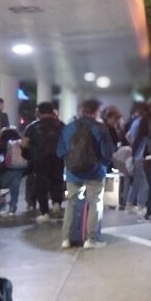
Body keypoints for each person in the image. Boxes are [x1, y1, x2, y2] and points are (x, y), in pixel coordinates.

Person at [57, 99, 114, 249]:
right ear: (96, 112)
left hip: (73, 172)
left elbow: (61, 152)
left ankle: (66, 239)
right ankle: (91, 239)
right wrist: (102, 164)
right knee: (95, 203)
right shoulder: (100, 128)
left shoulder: (69, 127)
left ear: (81, 111)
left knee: (71, 203)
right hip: (95, 172)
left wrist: (71, 163)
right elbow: (107, 153)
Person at [23, 102, 65, 222]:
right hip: (58, 159)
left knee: (41, 185)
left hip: (39, 160)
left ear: (39, 112)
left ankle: (45, 212)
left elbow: (24, 144)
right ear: (52, 111)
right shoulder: (61, 125)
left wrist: (28, 155)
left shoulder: (32, 127)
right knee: (57, 181)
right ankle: (57, 204)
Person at [0, 128, 27, 217]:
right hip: (18, 169)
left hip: (6, 169)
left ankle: (1, 206)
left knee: (2, 189)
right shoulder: (19, 143)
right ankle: (12, 208)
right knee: (15, 190)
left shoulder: (2, 145)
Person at [125, 108, 149, 215]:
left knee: (136, 181)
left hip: (136, 156)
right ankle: (141, 205)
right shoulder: (144, 125)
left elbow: (128, 135)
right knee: (144, 182)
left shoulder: (135, 122)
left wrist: (132, 146)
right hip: (142, 156)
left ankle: (129, 204)